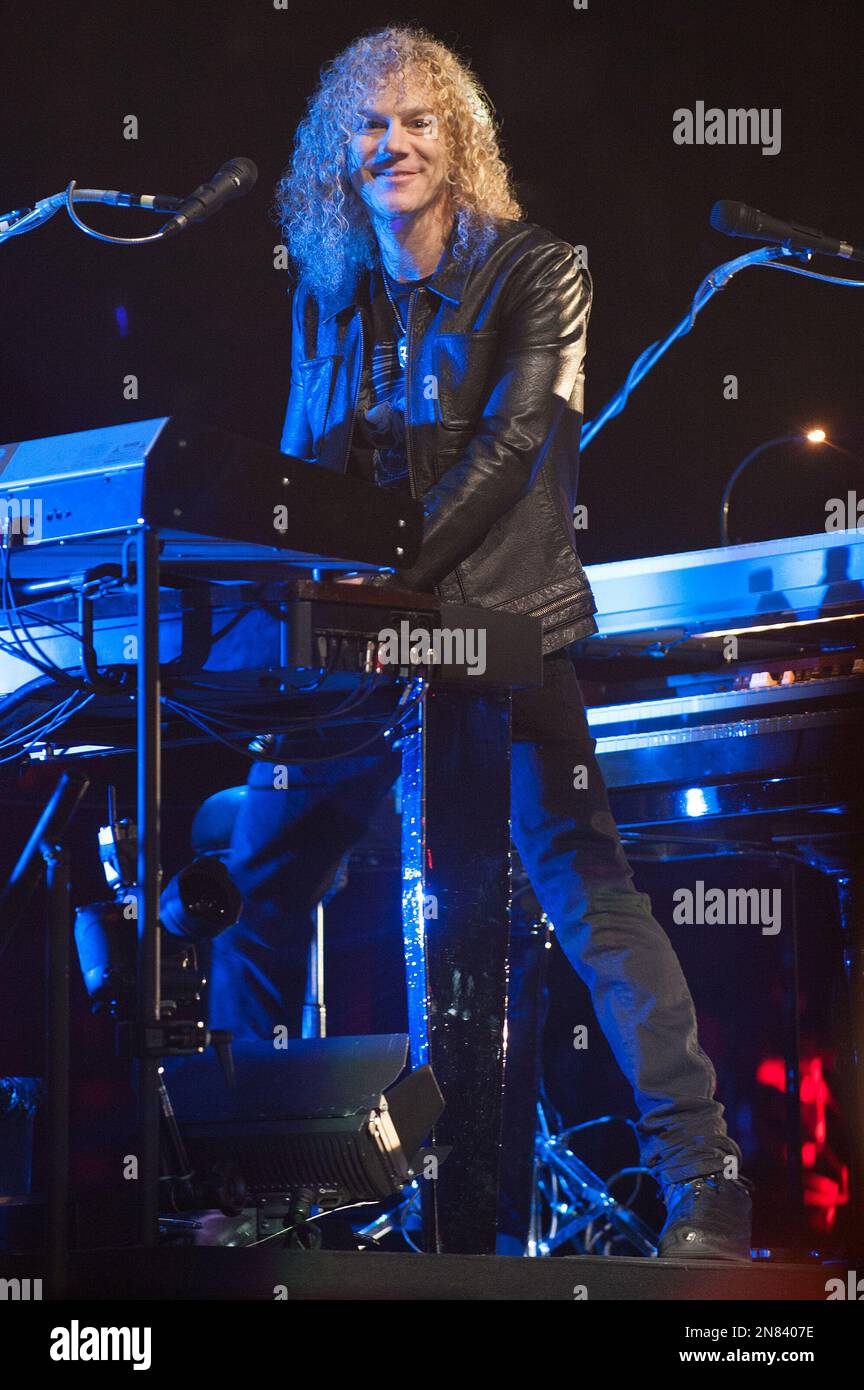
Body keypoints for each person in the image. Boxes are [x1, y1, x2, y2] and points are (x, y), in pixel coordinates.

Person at [208, 24, 752, 1260]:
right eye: (369, 124)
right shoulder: (327, 287)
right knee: (254, 885)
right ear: (336, 155)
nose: (393, 142)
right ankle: (262, 1187)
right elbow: (305, 466)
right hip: (357, 660)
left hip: (499, 646)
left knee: (590, 898)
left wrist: (386, 583)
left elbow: (515, 456)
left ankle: (705, 1182)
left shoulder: (543, 271)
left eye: (417, 121)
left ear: (460, 143)